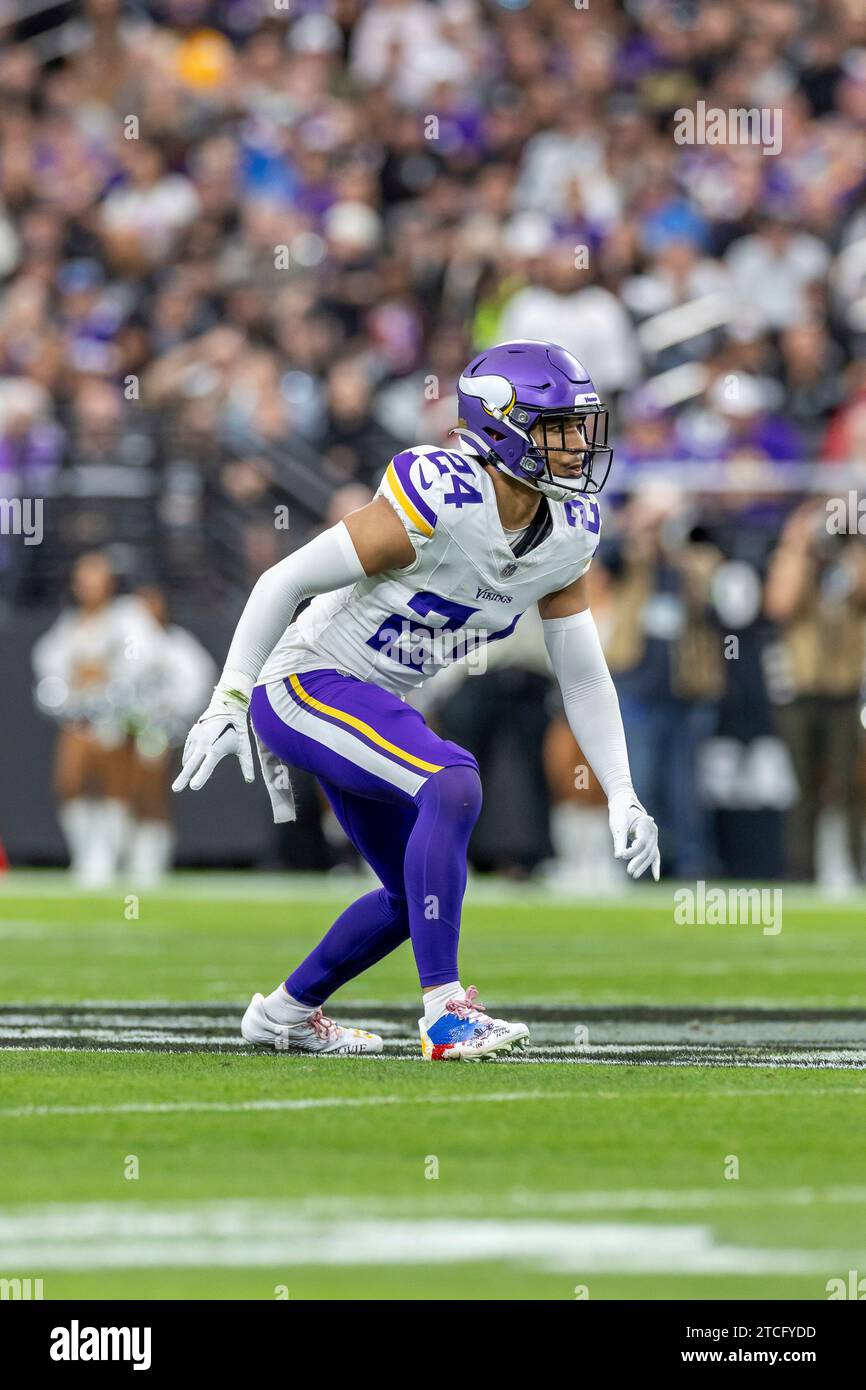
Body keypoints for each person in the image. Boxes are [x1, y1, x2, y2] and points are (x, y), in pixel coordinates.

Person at [173, 341, 660, 1060]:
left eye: (580, 427)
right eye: (557, 428)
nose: (576, 446)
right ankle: (444, 1013)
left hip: (371, 700)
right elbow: (282, 579)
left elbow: (582, 674)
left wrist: (620, 790)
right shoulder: (441, 494)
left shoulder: (568, 533)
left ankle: (283, 1014)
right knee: (453, 779)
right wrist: (226, 699)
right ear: (501, 429)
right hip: (307, 682)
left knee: (413, 895)